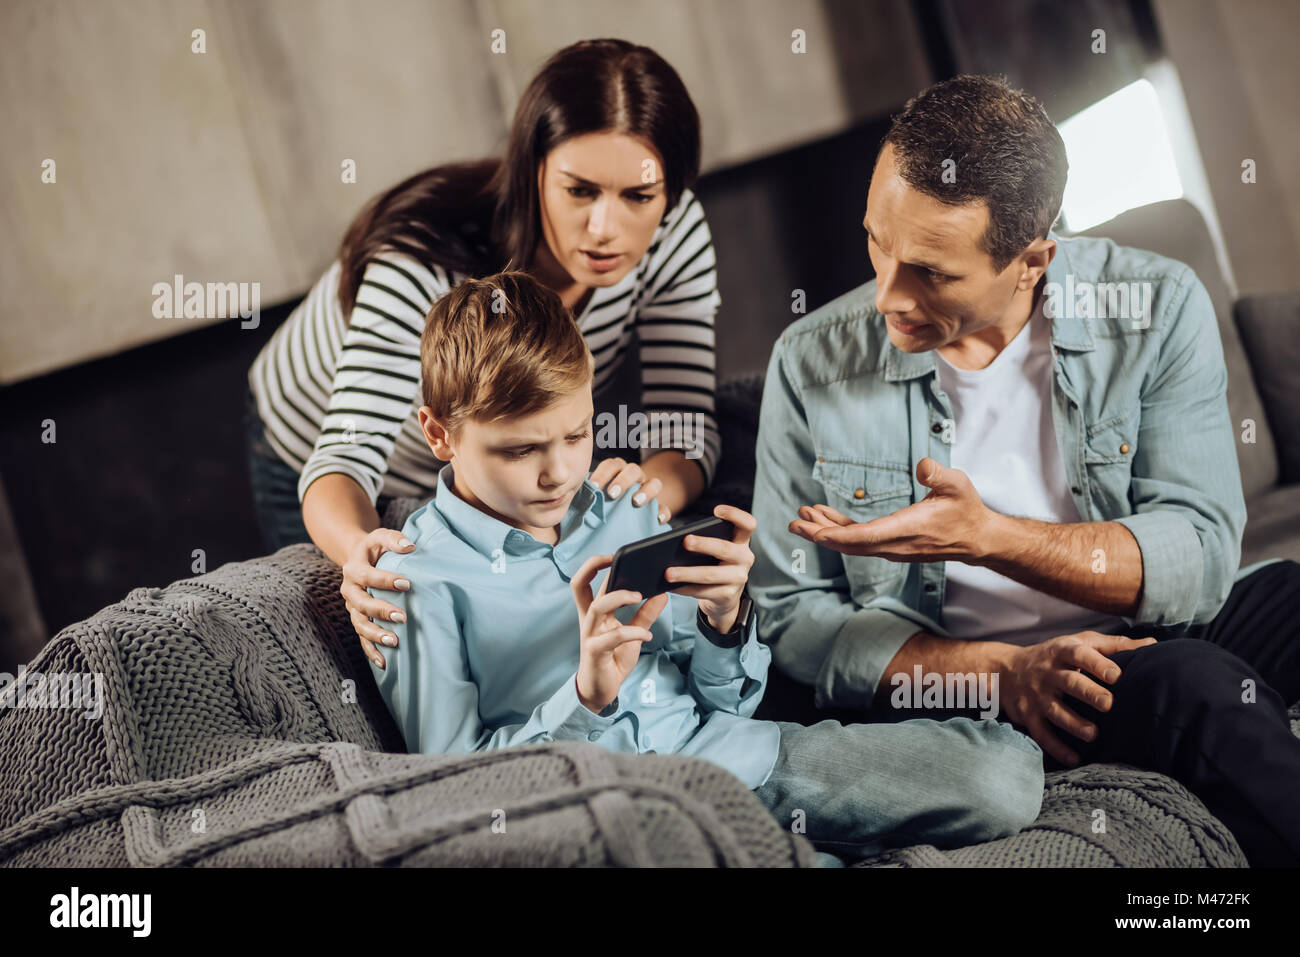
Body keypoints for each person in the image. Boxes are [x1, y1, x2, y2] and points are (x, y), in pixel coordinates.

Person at [749, 74, 1300, 866]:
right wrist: (1002, 675)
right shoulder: (810, 365)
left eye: (932, 274)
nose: (886, 297)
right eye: (877, 242)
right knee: (1194, 687)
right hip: (973, 686)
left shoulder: (1157, 305)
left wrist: (989, 537)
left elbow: (1202, 551)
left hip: (1148, 623)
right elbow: (795, 616)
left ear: (1032, 259)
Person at [366, 270, 1045, 866]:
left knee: (1005, 776)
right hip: (613, 816)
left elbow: (728, 701)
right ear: (439, 433)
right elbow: (457, 797)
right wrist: (586, 698)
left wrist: (726, 621)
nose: (559, 471)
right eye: (519, 451)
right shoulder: (413, 581)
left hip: (738, 756)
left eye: (576, 433)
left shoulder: (623, 508)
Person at [244, 39, 724, 667]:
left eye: (639, 197)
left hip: (493, 461)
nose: (606, 229)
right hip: (317, 454)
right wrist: (367, 552)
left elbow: (682, 424)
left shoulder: (676, 231)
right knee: (382, 645)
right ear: (532, 171)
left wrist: (644, 492)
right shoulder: (421, 262)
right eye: (579, 191)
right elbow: (342, 458)